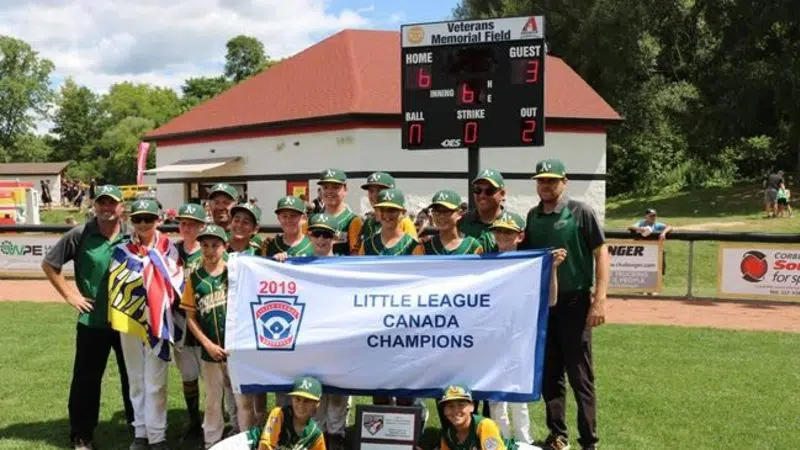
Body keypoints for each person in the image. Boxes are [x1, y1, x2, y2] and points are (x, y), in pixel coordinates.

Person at [523, 158, 608, 450]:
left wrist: (600, 300)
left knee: (580, 375)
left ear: (564, 181)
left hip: (576, 302)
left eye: (551, 180)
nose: (545, 185)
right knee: (550, 374)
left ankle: (589, 441)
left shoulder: (580, 211)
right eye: (541, 180)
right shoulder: (533, 216)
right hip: (546, 304)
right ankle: (557, 435)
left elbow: (601, 253)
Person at [41, 184, 134, 450]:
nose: (106, 208)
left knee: (134, 378)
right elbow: (50, 264)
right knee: (87, 379)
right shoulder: (80, 234)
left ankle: (139, 429)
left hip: (128, 321)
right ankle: (81, 434)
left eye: (111, 203)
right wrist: (71, 295)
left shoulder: (132, 234)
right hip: (93, 321)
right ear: (95, 206)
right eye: (102, 203)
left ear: (121, 207)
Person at [487, 211, 567, 446]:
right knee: (493, 391)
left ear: (520, 236)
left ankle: (523, 440)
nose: (502, 236)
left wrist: (552, 269)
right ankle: (498, 440)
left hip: (521, 335)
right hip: (492, 333)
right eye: (499, 231)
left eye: (508, 232)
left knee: (517, 391)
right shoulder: (486, 261)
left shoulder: (532, 264)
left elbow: (551, 300)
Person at [109, 198, 183, 450]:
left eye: (148, 219)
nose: (142, 224)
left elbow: (175, 282)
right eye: (137, 219)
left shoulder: (168, 249)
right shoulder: (121, 251)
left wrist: (152, 266)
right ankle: (140, 432)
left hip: (159, 323)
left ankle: (157, 435)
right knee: (136, 379)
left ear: (158, 220)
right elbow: (116, 285)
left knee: (157, 380)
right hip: (130, 322)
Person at [359, 188, 422, 407]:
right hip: (376, 318)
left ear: (402, 212)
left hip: (404, 318)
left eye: (392, 210)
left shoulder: (414, 246)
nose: (387, 215)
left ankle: (407, 426)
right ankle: (381, 430)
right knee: (379, 379)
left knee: (405, 375)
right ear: (376, 212)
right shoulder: (367, 245)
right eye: (382, 210)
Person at [181, 224, 234, 449]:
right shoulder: (195, 278)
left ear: (225, 246)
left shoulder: (235, 273)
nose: (210, 250)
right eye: (205, 245)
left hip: (235, 350)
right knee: (213, 400)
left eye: (215, 245)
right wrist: (207, 344)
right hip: (210, 350)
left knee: (239, 398)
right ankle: (211, 440)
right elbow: (190, 317)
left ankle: (239, 437)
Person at [304, 214, 350, 449]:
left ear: (335, 237)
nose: (322, 239)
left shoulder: (345, 264)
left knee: (338, 390)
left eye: (327, 234)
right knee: (315, 387)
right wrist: (281, 260)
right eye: (317, 234)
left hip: (338, 334)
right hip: (312, 336)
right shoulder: (299, 264)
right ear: (309, 235)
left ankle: (336, 433)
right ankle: (316, 433)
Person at [173, 203, 208, 440]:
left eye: (192, 224)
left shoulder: (209, 249)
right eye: (183, 223)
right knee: (188, 376)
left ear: (201, 226)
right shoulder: (171, 251)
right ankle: (194, 420)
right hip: (179, 320)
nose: (187, 228)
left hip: (205, 320)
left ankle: (215, 418)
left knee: (212, 376)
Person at [438, 384, 538, 450]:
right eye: (450, 406)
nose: (456, 411)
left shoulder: (484, 425)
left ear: (472, 407)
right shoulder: (448, 436)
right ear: (444, 411)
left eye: (461, 405)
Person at [356, 172, 417, 254]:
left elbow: (411, 250)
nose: (375, 195)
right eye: (371, 191)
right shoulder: (368, 222)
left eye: (380, 191)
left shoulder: (405, 222)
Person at [459, 169, 507, 253]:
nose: (482, 195)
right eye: (478, 190)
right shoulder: (462, 222)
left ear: (502, 194)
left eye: (489, 191)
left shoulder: (513, 224)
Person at [423, 190, 483, 255]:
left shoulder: (472, 245)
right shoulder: (427, 246)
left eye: (446, 211)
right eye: (436, 211)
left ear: (460, 213)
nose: (441, 216)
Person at [317, 169, 362, 255]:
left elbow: (355, 256)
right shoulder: (314, 219)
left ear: (345, 189)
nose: (329, 191)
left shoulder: (352, 220)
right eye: (325, 187)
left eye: (335, 187)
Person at [261, 196, 314, 263]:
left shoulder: (312, 245)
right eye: (284, 216)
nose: (288, 220)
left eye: (293, 216)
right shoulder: (271, 245)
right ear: (279, 218)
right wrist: (275, 261)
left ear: (304, 218)